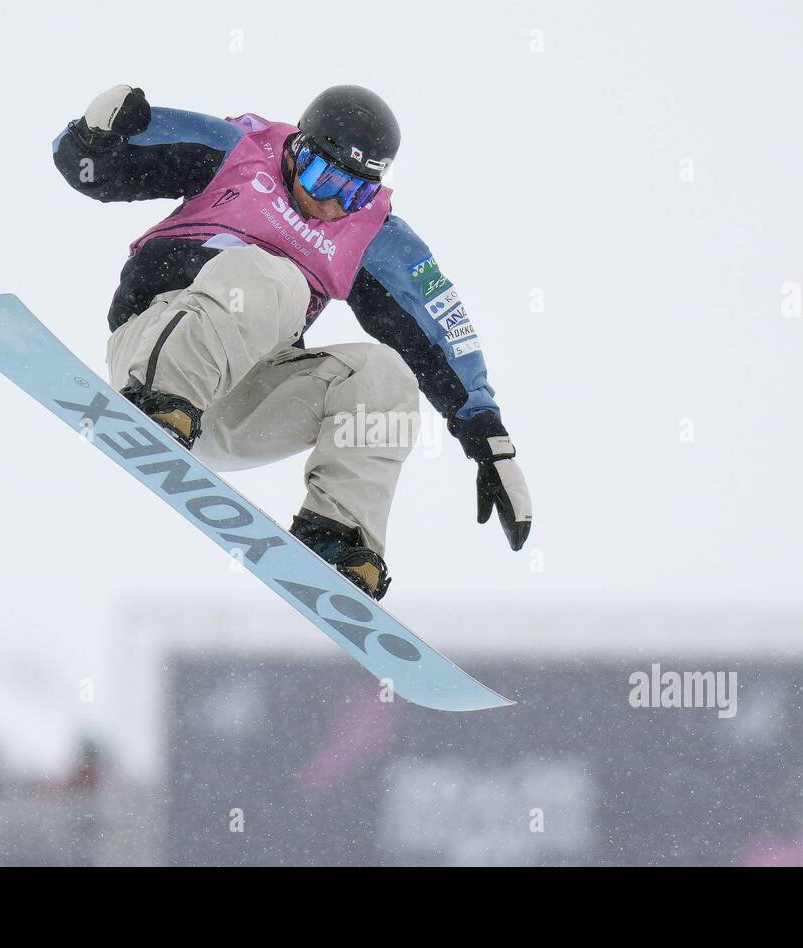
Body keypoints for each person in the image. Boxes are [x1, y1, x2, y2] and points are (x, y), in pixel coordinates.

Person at [52, 84, 532, 599]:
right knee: (273, 276)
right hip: (159, 348)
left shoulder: (370, 235)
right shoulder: (238, 153)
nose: (330, 205)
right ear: (297, 149)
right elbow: (97, 168)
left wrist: (489, 442)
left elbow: (437, 323)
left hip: (239, 407)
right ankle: (161, 401)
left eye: (353, 194)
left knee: (384, 375)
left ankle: (337, 536)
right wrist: (95, 135)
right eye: (322, 178)